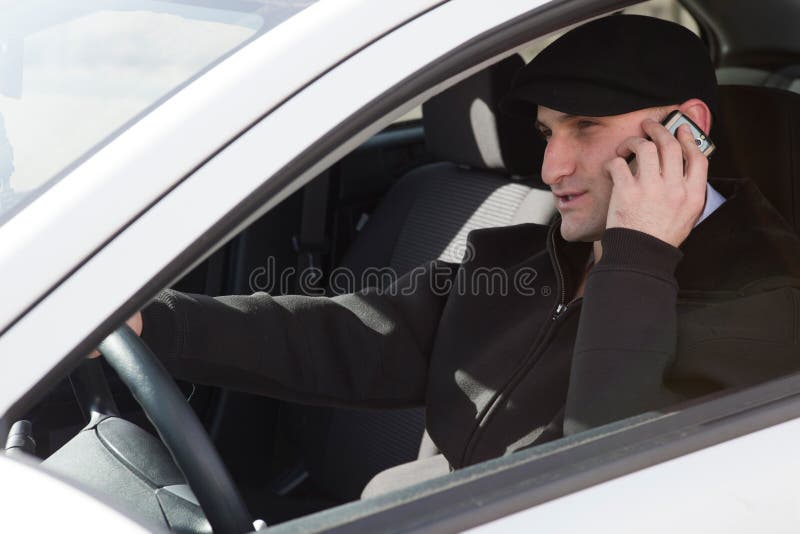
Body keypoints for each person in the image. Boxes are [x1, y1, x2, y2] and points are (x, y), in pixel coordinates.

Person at [121, 15, 800, 484]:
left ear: (687, 130)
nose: (552, 167)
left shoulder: (769, 307)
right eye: (545, 132)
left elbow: (603, 476)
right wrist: (153, 322)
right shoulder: (517, 256)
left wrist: (638, 259)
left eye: (586, 127)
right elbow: (349, 338)